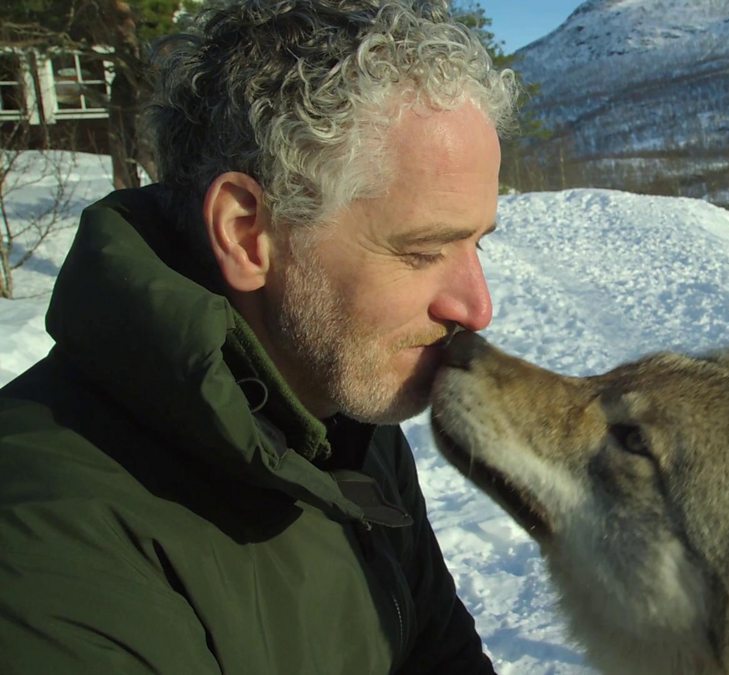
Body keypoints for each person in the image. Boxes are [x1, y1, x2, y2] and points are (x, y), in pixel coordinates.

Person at [0, 1, 517, 672]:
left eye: (477, 243)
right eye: (422, 251)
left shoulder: (342, 422)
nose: (478, 307)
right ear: (248, 233)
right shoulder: (51, 544)